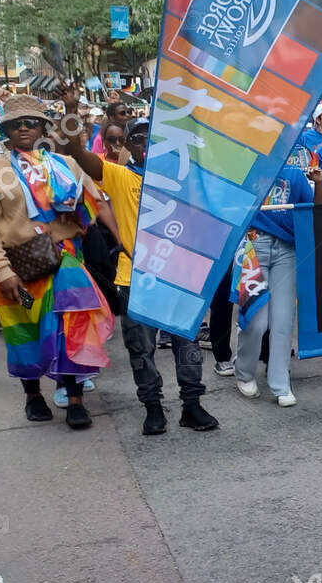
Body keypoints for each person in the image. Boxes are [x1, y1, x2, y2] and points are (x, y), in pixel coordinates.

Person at [57, 111, 220, 435]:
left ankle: (192, 405)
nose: (147, 143)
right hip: (134, 280)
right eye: (139, 138)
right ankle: (153, 407)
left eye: (154, 138)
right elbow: (78, 154)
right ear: (128, 145)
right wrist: (72, 117)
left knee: (186, 344)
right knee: (140, 349)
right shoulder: (119, 176)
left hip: (179, 278)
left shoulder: (185, 178)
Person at [0, 97, 114, 429]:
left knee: (71, 327)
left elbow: (93, 206)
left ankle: (75, 399)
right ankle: (33, 395)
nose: (23, 128)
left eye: (31, 123)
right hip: (18, 267)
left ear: (43, 128)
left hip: (65, 262)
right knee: (24, 331)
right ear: (5, 130)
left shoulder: (65, 164)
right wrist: (0, 270)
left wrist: (77, 209)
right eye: (15, 124)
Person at [234, 144, 322, 407]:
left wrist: (318, 184)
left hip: (287, 249)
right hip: (254, 246)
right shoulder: (245, 169)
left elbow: (311, 209)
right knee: (256, 320)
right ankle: (244, 371)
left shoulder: (294, 174)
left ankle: (281, 383)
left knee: (283, 321)